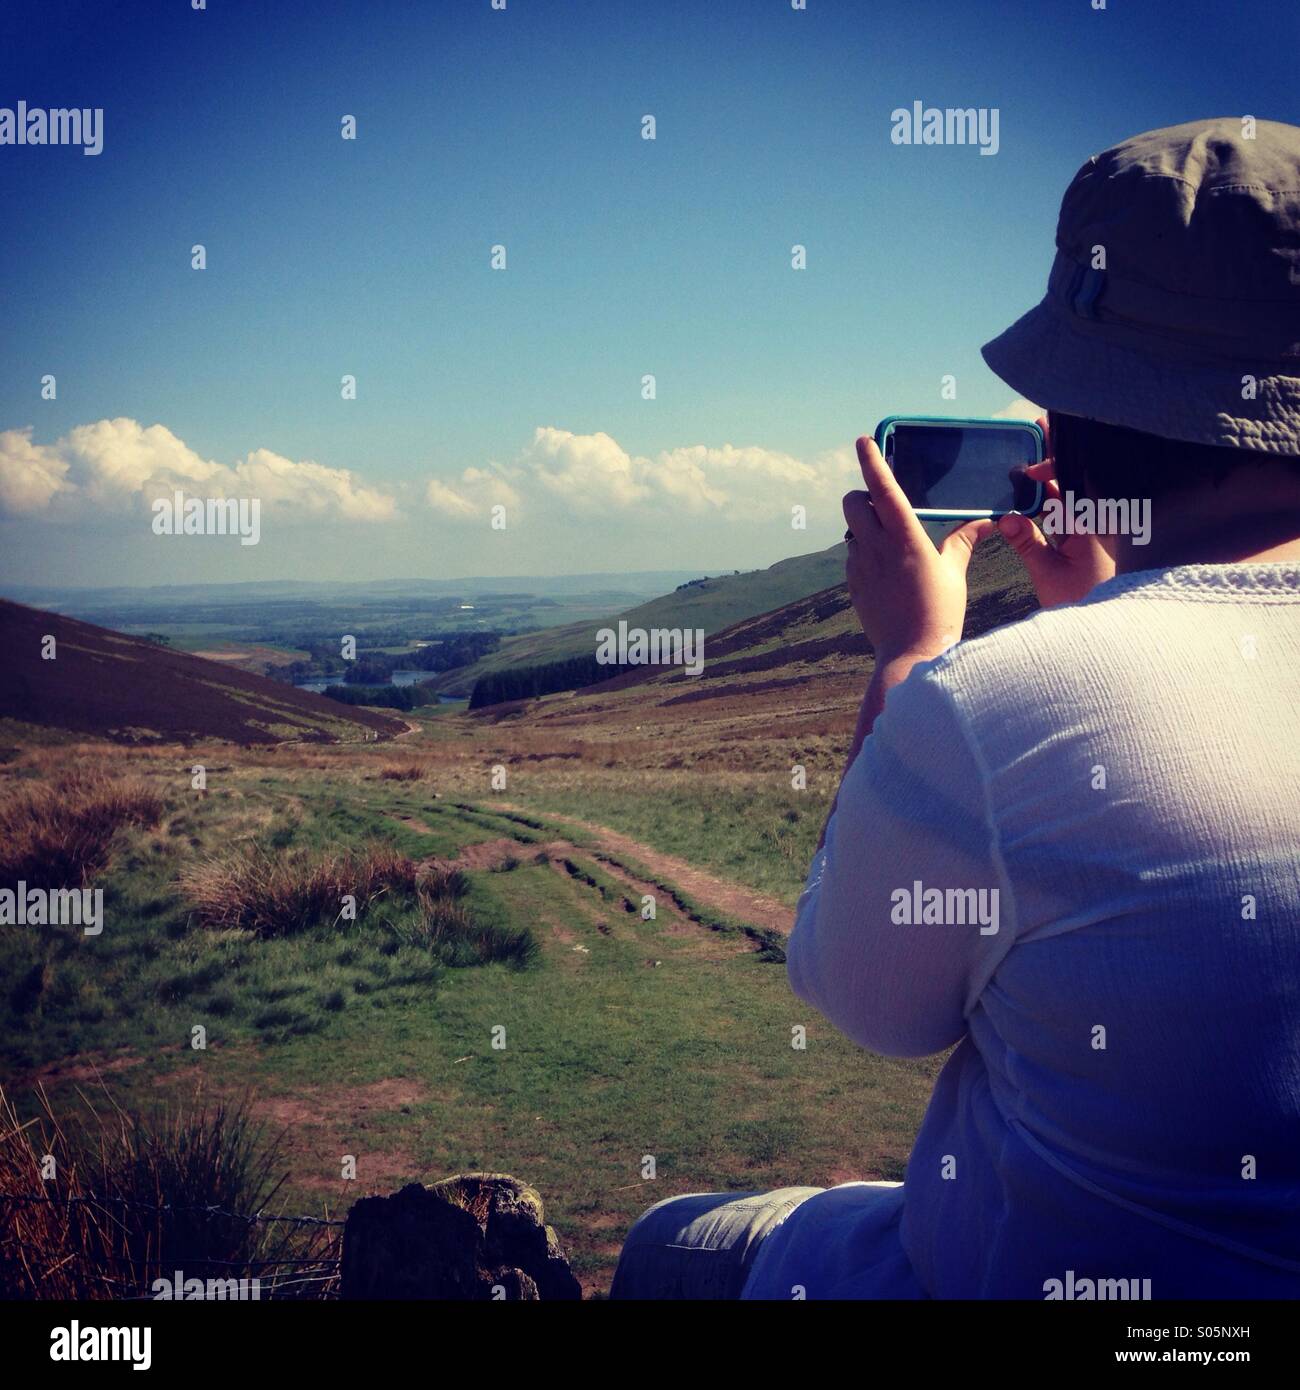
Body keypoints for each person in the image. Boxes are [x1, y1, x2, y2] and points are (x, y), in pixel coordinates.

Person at [610, 116, 1300, 1300]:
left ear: (1067, 414)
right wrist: (1115, 592)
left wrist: (912, 654)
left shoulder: (987, 708)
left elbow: (869, 1003)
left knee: (665, 1242)